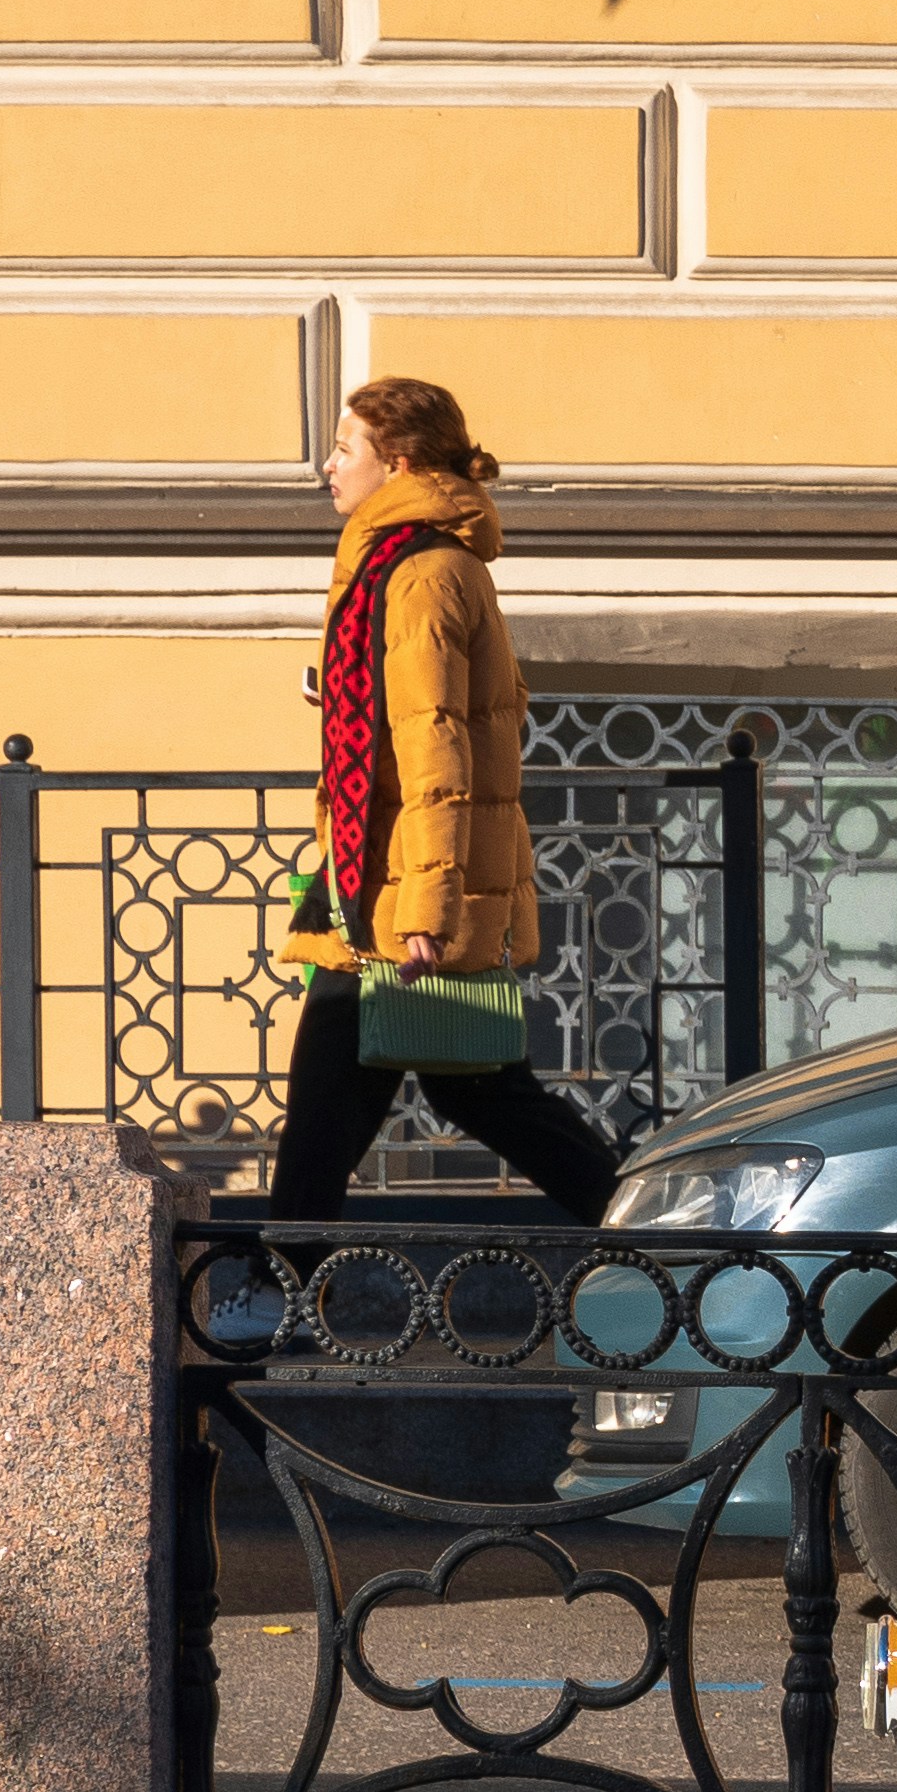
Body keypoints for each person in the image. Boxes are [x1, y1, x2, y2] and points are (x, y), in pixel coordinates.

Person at [267, 376, 622, 1221]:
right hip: (384, 866)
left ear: (398, 462)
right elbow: (430, 714)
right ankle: (647, 1232)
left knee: (334, 1091)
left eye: (344, 448)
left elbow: (440, 751)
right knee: (478, 1094)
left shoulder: (420, 573)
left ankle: (264, 1285)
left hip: (397, 883)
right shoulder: (412, 560)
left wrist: (428, 907)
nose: (328, 465)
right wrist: (349, 695)